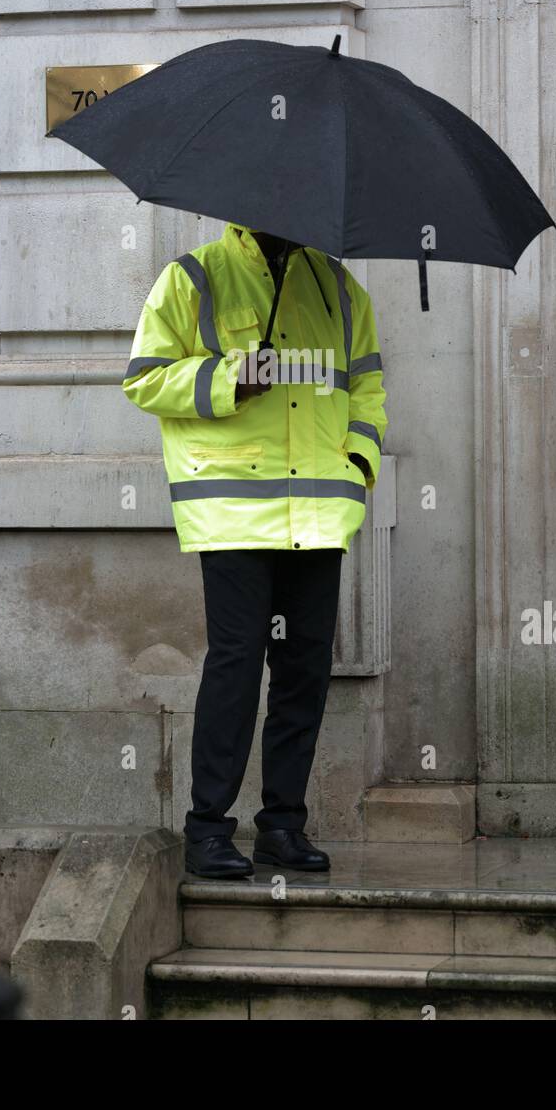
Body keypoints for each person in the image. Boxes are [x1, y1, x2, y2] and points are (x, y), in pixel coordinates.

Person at [122, 220, 388, 878]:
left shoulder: (340, 291)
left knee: (303, 672)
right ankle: (207, 829)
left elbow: (368, 391)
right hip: (235, 510)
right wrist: (226, 381)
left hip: (320, 511)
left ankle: (282, 826)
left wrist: (357, 462)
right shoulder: (193, 278)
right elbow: (143, 379)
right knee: (237, 667)